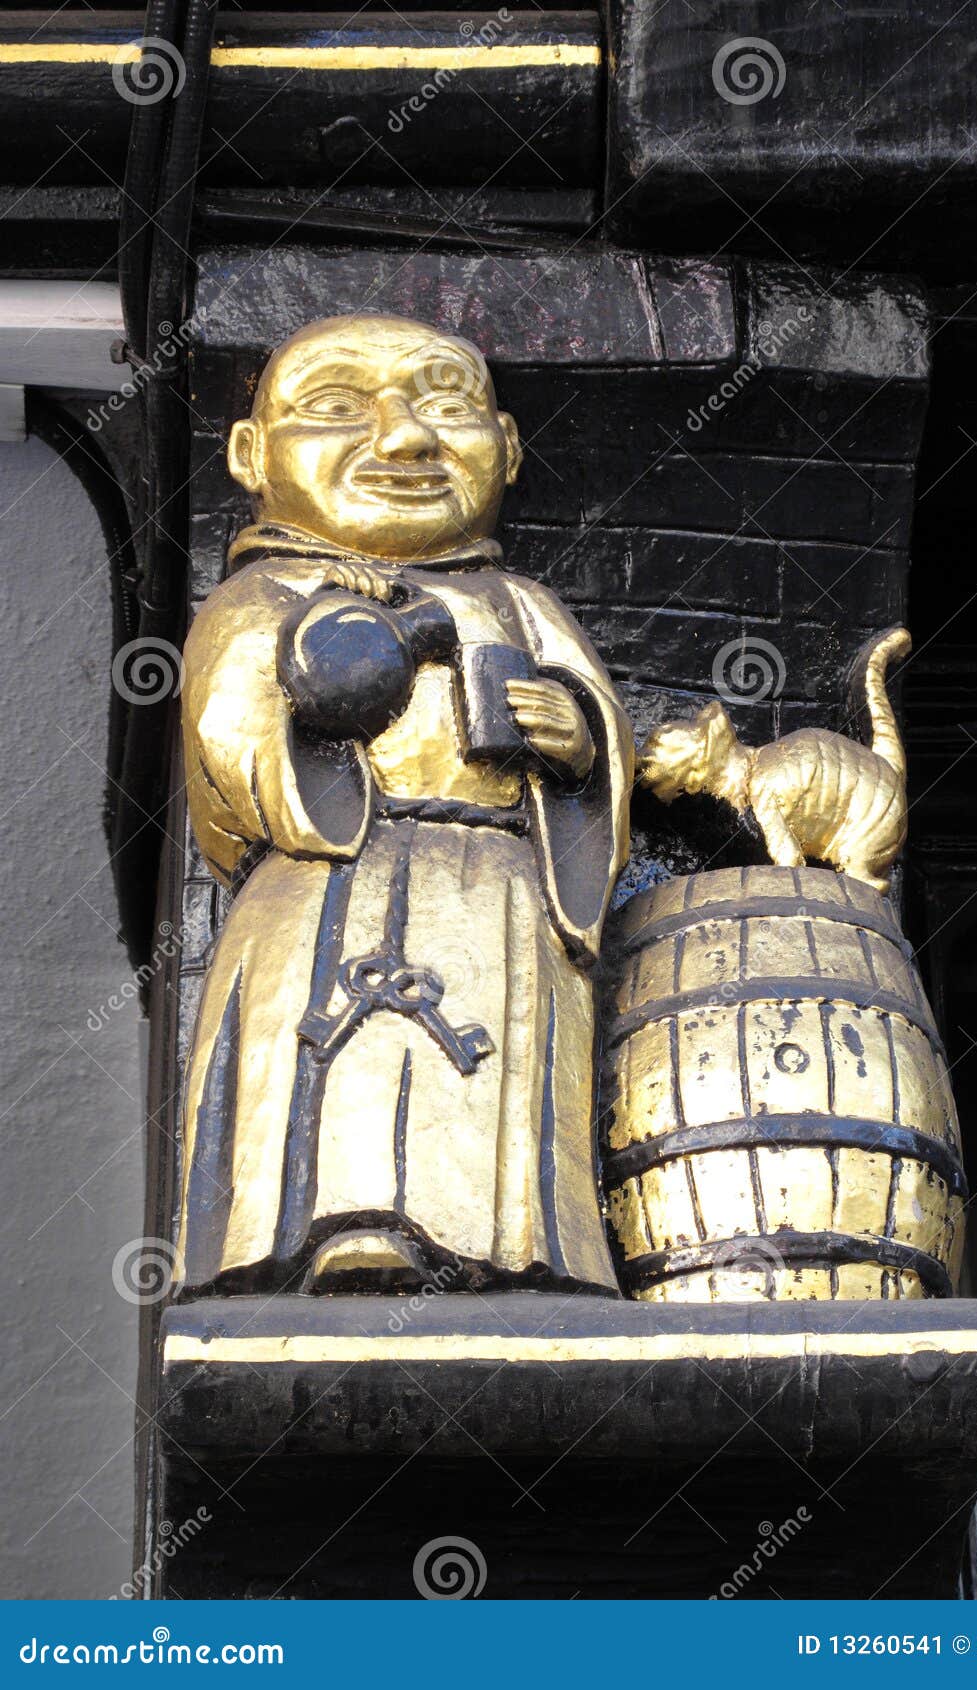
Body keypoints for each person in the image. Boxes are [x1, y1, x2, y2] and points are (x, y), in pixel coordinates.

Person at [173, 314, 633, 1296]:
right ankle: (327, 1232)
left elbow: (594, 740)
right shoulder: (266, 595)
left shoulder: (521, 605)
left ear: (507, 447)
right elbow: (234, 731)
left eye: (446, 404)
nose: (404, 438)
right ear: (251, 454)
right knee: (350, 1055)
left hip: (504, 885)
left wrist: (580, 749)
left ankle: (525, 1248)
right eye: (337, 406)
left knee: (503, 1068)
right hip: (328, 886)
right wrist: (357, 660)